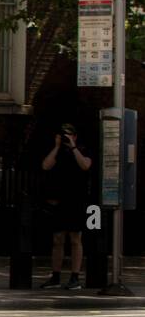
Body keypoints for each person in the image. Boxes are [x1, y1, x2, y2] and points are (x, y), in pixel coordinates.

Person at [39, 122, 93, 290]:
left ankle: (75, 277)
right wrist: (56, 146)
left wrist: (74, 147)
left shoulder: (82, 149)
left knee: (75, 239)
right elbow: (45, 166)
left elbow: (85, 165)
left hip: (76, 200)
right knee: (58, 239)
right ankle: (55, 276)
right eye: (63, 135)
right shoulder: (58, 152)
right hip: (60, 201)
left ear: (75, 136)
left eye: (69, 134)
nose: (66, 138)